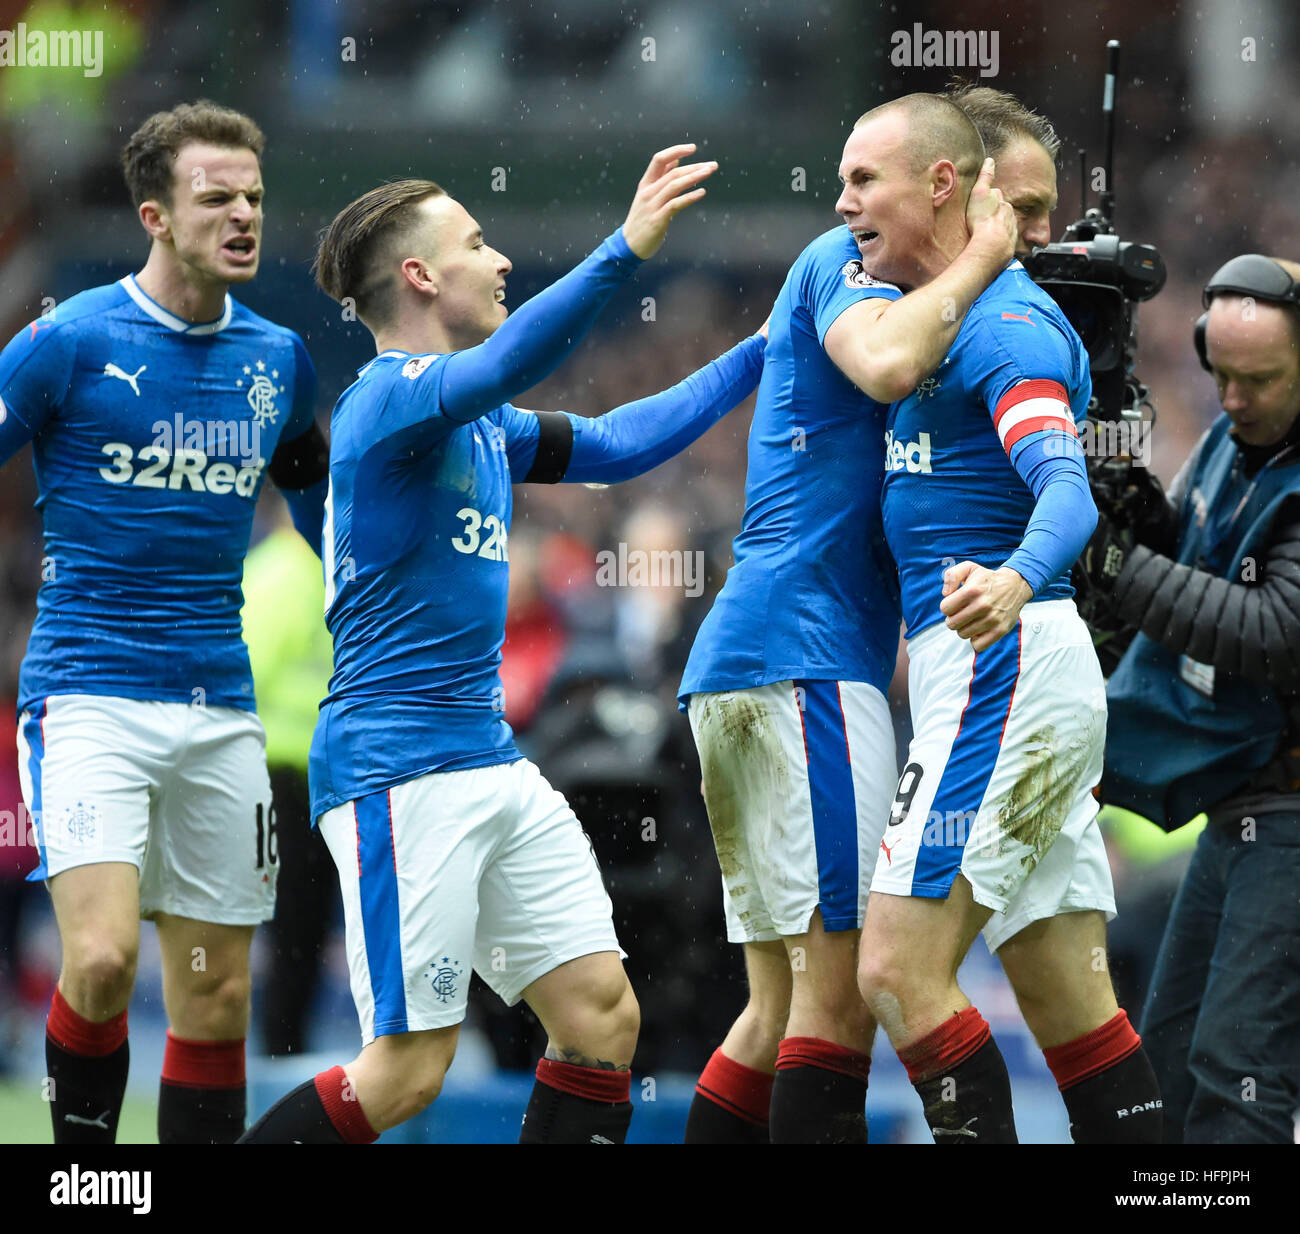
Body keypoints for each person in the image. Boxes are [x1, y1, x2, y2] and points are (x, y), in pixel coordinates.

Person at [240, 145, 768, 1145]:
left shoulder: (482, 425)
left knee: (602, 1018)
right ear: (419, 277)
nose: (500, 261)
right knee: (406, 1072)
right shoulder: (389, 398)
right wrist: (625, 249)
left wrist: (761, 350)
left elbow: (618, 443)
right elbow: (515, 357)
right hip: (402, 776)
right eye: (477, 244)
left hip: (489, 761)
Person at [678, 96, 1019, 1144]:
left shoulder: (908, 294)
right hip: (804, 666)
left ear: (940, 183)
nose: (841, 200)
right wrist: (984, 264)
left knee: (777, 1008)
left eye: (863, 178)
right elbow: (884, 367)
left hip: (758, 666)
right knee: (841, 1000)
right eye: (845, 176)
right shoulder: (840, 262)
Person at [0, 100, 329, 1144]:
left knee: (217, 997)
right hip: (89, 694)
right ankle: (87, 1178)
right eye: (215, 198)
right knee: (99, 962)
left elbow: (322, 522)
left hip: (222, 711)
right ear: (153, 214)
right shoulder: (67, 342)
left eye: (255, 199)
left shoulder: (280, 360)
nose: (243, 216)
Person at [846, 94, 1162, 1144]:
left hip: (1003, 663)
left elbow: (1065, 490)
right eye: (1025, 208)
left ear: (946, 183)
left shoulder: (1007, 324)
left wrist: (1018, 577)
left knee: (893, 971)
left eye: (862, 184)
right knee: (1075, 1014)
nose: (1036, 233)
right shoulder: (925, 317)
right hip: (1010, 670)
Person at [1087, 253, 1300, 1142]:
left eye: (1263, 380)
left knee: (1238, 1076)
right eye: (1222, 375)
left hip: (1291, 813)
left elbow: (1276, 630)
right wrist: (1143, 516)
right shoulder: (1229, 442)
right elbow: (1206, 569)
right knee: (1171, 1060)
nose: (1236, 400)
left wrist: (1120, 566)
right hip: (1241, 809)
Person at [242, 505, 337, 1057]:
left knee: (298, 931)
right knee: (297, 930)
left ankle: (283, 1052)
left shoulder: (289, 566)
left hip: (300, 773)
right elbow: (248, 673)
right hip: (289, 774)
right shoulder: (293, 569)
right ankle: (281, 1054)